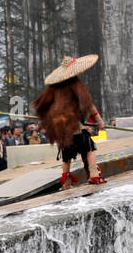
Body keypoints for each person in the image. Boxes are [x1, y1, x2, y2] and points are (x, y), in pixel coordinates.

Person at [33, 54, 110, 189]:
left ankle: (66, 181)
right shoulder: (76, 84)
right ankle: (94, 175)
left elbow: (43, 107)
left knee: (66, 155)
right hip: (73, 125)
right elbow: (89, 105)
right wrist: (100, 121)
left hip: (60, 128)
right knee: (89, 148)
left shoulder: (53, 89)